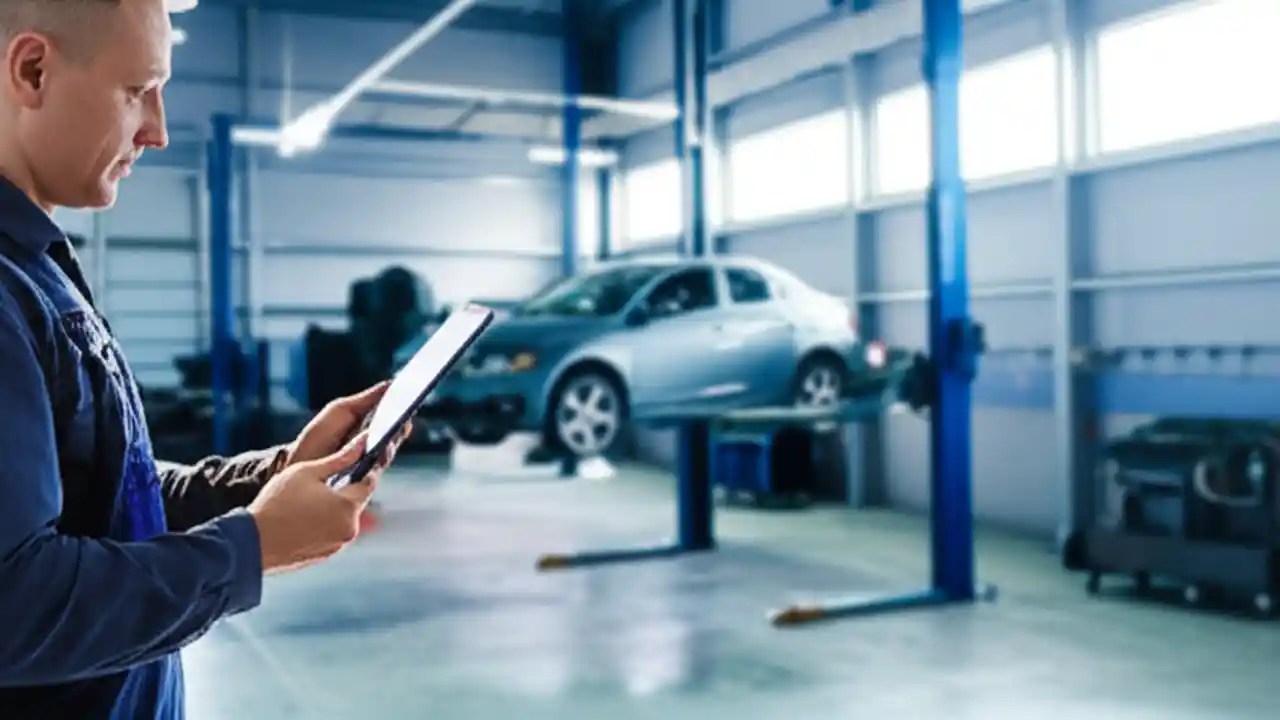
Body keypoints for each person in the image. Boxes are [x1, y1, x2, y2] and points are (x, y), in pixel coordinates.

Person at [0, 0, 409, 717]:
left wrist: (269, 477)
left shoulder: (37, 265)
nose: (156, 130)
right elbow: (15, 604)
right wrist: (251, 548)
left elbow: (96, 492)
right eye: (137, 91)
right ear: (31, 71)